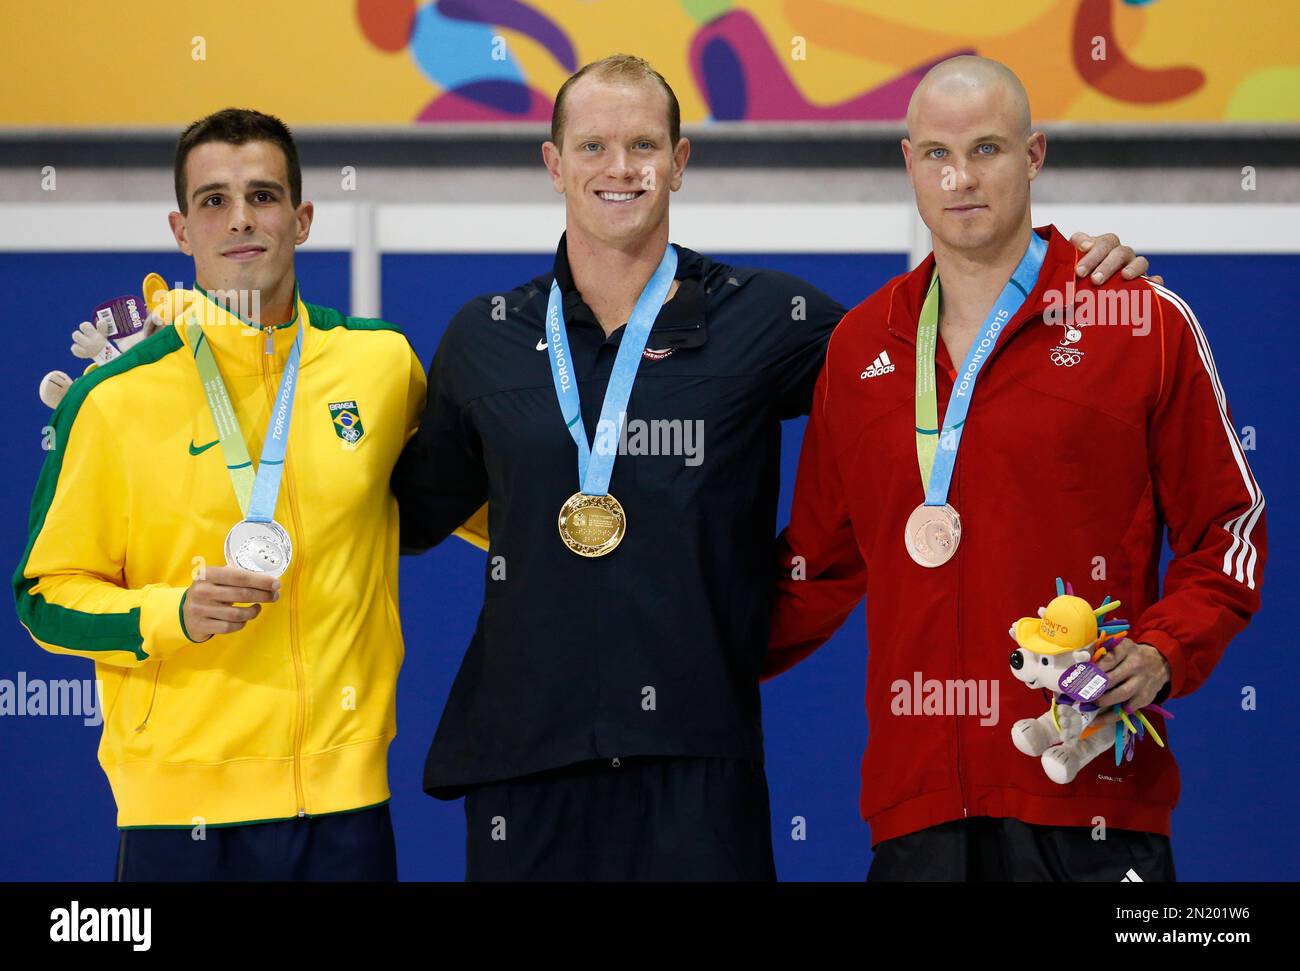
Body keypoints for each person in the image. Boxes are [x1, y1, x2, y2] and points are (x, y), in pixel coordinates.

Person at [392, 54, 1149, 881]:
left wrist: (1061, 276)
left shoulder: (766, 318)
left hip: (699, 762)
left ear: (680, 163)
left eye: (644, 144)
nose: (620, 169)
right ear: (553, 163)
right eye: (593, 146)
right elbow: (403, 515)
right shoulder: (485, 335)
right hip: (520, 763)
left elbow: (945, 354)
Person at [764, 56, 1266, 881]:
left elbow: (1228, 529)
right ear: (908, 162)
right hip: (917, 810)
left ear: (1033, 155)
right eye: (936, 154)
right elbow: (815, 567)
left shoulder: (1135, 317)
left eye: (987, 149)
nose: (960, 178)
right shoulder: (859, 348)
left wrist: (1166, 648)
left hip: (1092, 796)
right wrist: (673, 658)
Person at [13, 108, 428, 880]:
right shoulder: (112, 399)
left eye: (265, 196)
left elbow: (468, 499)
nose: (241, 218)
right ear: (181, 229)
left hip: (344, 805)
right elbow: (44, 594)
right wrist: (169, 613)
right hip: (179, 815)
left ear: (302, 218)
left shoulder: (382, 367)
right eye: (214, 201)